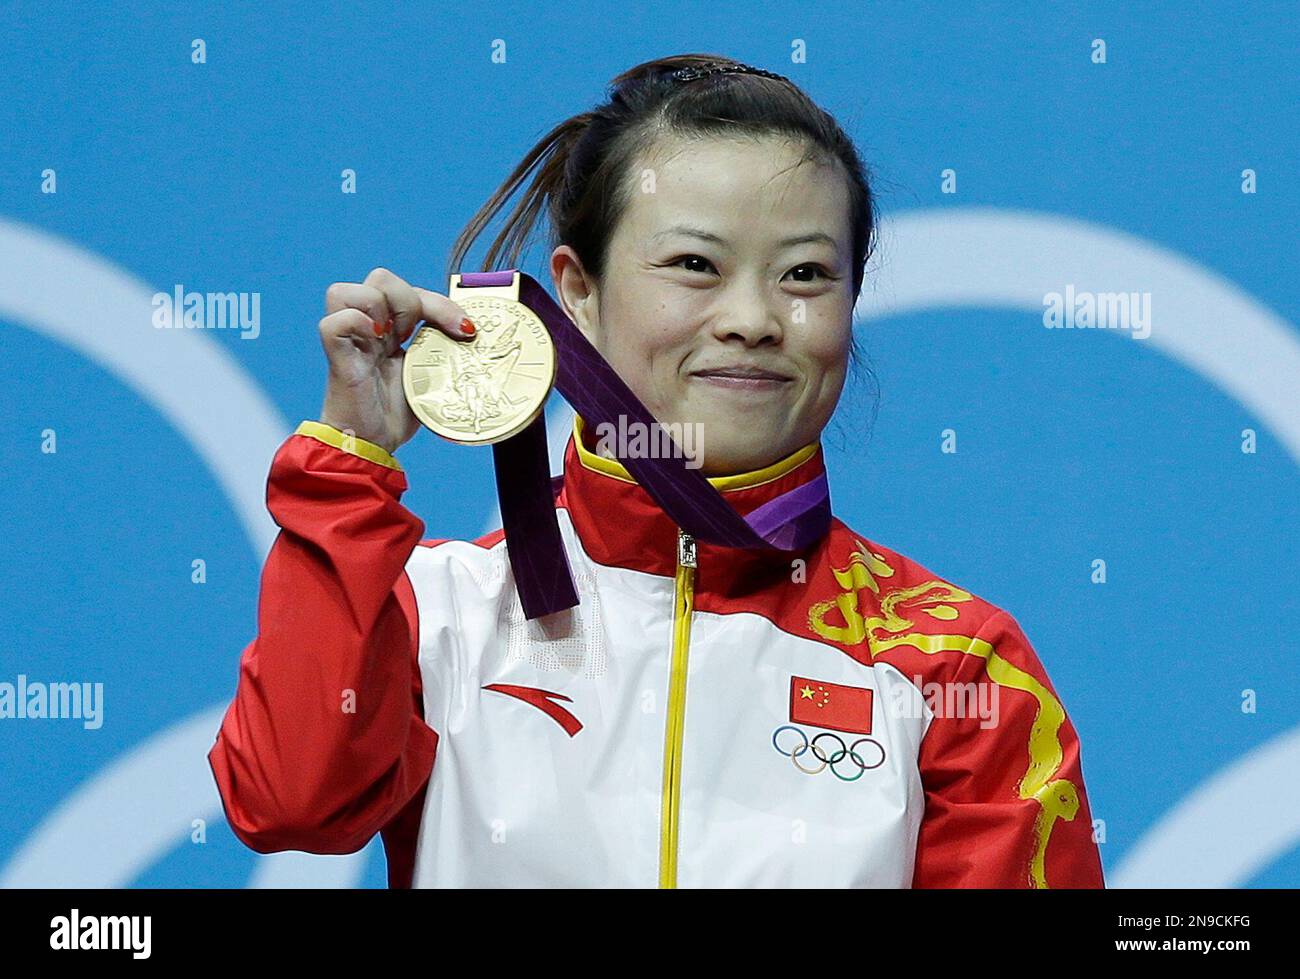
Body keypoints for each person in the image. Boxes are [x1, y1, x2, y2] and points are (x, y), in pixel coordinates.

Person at [207, 54, 1105, 888]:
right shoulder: (438, 616)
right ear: (578, 292)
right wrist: (347, 462)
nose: (753, 317)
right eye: (693, 265)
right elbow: (288, 802)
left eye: (804, 274)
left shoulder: (955, 662)